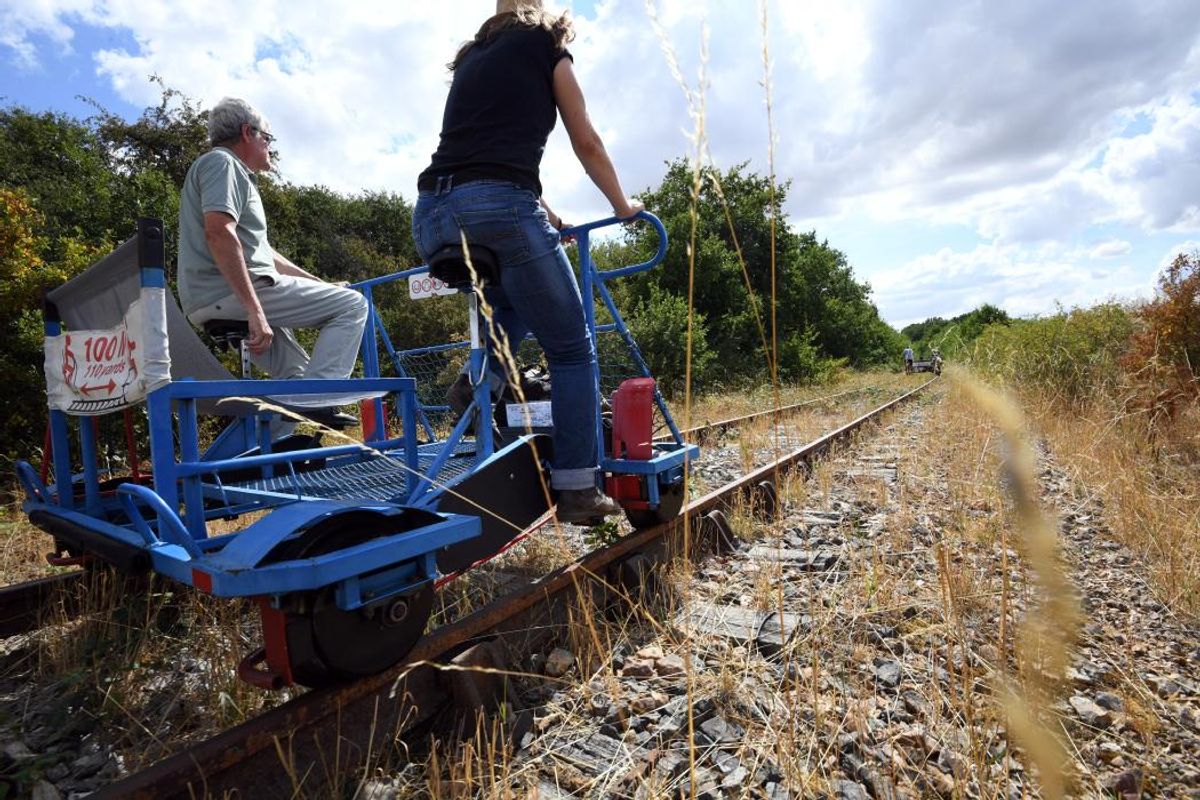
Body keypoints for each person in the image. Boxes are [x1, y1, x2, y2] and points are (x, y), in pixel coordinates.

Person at [412, 0, 643, 523]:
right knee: (573, 348)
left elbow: (482, 155)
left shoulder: (473, 57)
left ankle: (479, 383)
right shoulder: (547, 48)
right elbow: (585, 139)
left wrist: (548, 216)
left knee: (512, 301)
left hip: (431, 215)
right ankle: (579, 486)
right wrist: (622, 207)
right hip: (499, 211)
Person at [178, 97, 368, 429]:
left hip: (211, 298)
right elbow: (219, 233)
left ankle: (268, 450)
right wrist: (254, 310)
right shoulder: (222, 164)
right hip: (230, 292)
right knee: (352, 306)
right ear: (247, 133)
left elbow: (269, 257)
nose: (270, 147)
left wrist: (321, 285)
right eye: (268, 138)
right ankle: (319, 402)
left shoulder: (227, 172)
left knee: (294, 375)